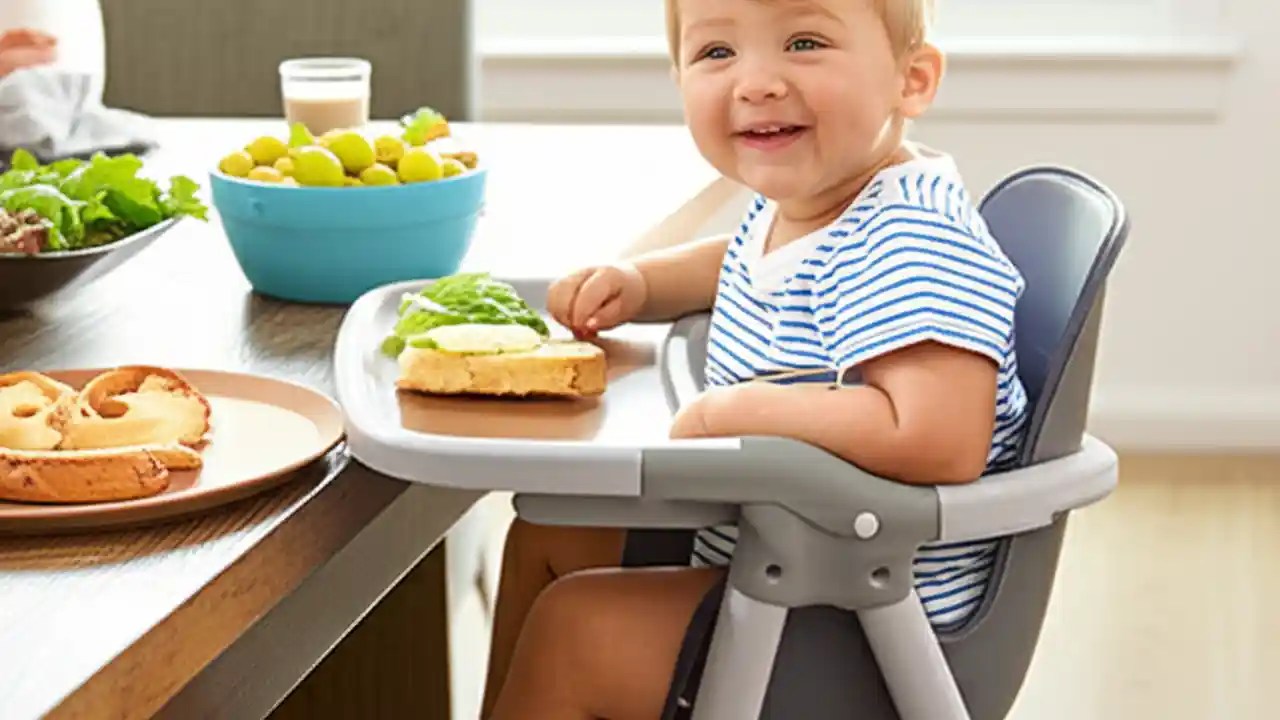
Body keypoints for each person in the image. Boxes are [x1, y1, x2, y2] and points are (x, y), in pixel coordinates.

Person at [483, 0, 1029, 717]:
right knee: (549, 537)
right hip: (784, 555)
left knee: (572, 632)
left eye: (804, 42)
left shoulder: (911, 241)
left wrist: (738, 413)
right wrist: (642, 284)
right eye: (717, 53)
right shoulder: (817, 206)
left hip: (863, 613)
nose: (757, 82)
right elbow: (748, 262)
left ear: (912, 79)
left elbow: (939, 437)